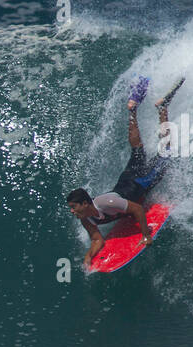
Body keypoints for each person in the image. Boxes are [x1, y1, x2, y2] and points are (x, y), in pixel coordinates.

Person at [67, 76, 183, 268]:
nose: (72, 211)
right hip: (127, 179)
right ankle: (133, 109)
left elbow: (137, 209)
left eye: (74, 206)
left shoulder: (106, 203)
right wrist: (89, 256)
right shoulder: (86, 218)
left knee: (165, 152)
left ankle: (162, 109)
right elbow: (97, 240)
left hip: (140, 182)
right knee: (137, 149)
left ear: (85, 203)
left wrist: (146, 236)